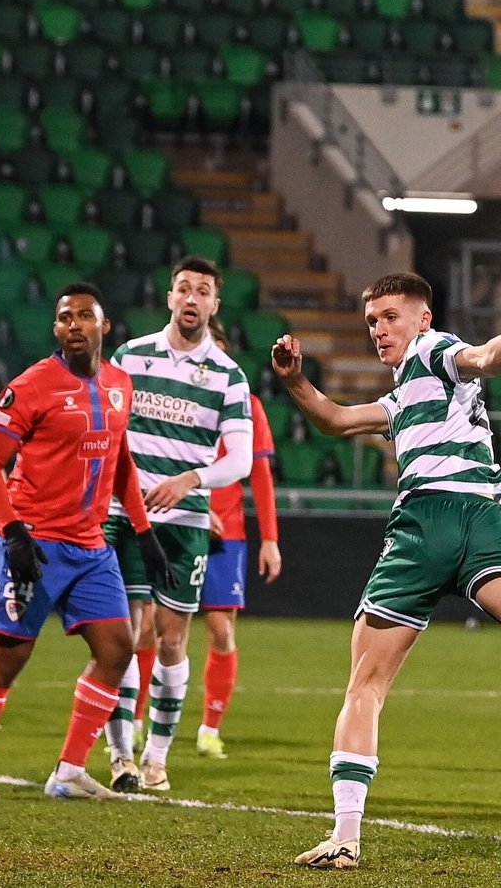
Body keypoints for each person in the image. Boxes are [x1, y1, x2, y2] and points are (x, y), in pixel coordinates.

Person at [273, 273, 501, 870]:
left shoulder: (432, 350)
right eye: (372, 322)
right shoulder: (401, 397)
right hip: (485, 519)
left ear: (423, 318)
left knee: (365, 683)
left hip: (427, 519)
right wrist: (294, 381)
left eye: (388, 316)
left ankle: (345, 837)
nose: (379, 330)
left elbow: (482, 358)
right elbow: (333, 419)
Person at [0, 283, 176, 801]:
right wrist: (14, 531)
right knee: (10, 656)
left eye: (85, 316)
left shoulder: (120, 383)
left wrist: (144, 532)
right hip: (35, 542)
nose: (75, 324)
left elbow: (120, 462)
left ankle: (69, 771)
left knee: (117, 650)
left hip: (91, 547)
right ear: (56, 329)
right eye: (65, 317)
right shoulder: (31, 386)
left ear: (103, 326)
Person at [101, 256, 252, 794]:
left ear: (214, 305)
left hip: (184, 523)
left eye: (203, 291)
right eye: (183, 288)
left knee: (170, 642)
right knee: (121, 637)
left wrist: (189, 481)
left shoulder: (230, 378)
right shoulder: (130, 356)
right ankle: (121, 757)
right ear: (169, 297)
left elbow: (241, 460)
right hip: (124, 516)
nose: (191, 298)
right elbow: (104, 427)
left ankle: (157, 758)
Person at [195, 317, 282, 761]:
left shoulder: (247, 405)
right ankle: (135, 723)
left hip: (226, 534)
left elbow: (262, 476)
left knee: (220, 631)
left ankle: (210, 727)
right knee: (149, 629)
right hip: (173, 523)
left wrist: (269, 538)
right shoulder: (175, 401)